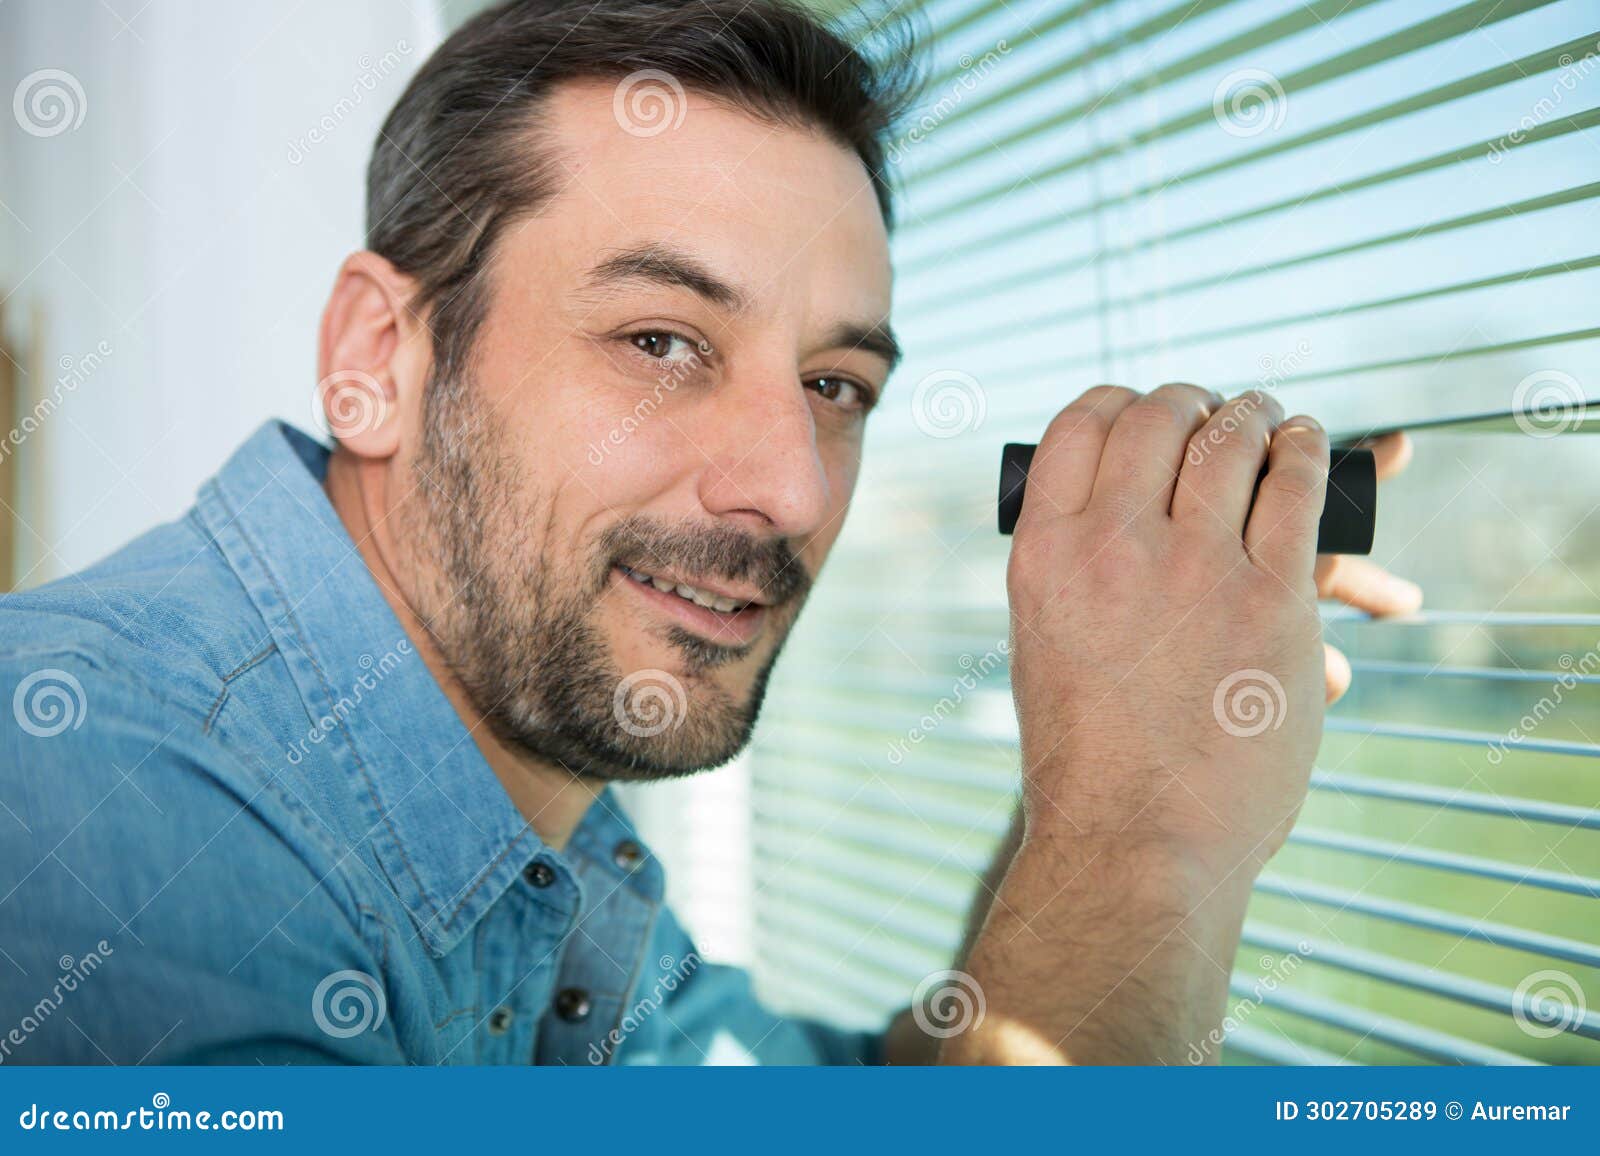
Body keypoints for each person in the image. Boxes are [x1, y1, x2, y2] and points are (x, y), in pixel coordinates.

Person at [0, 0, 1419, 1065]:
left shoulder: (523, 838)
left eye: (833, 386)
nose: (792, 491)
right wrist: (1144, 841)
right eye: (664, 339)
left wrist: (1108, 751)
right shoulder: (98, 807)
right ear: (380, 354)